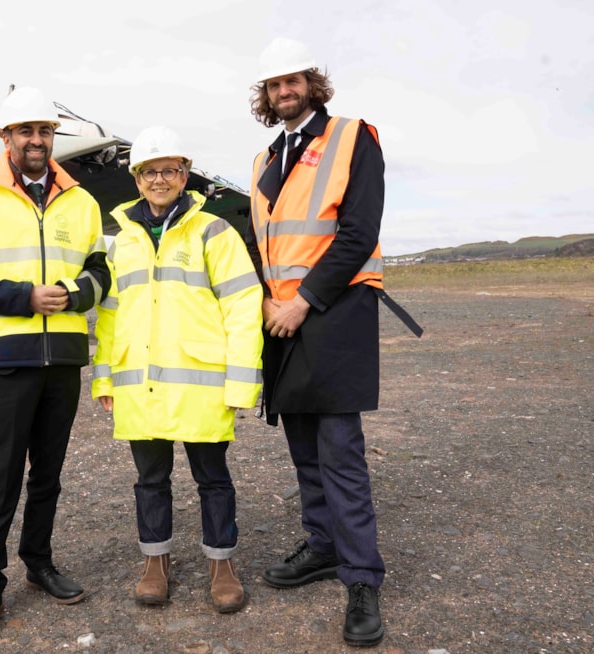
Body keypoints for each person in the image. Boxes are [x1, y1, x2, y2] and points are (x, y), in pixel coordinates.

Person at [246, 37, 421, 647]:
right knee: (302, 447)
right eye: (273, 85)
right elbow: (263, 241)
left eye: (292, 81)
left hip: (334, 310)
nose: (283, 91)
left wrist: (302, 301)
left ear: (312, 84)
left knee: (339, 452)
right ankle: (322, 547)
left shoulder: (353, 136)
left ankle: (362, 578)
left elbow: (357, 233)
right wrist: (269, 301)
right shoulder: (266, 156)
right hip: (282, 318)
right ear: (266, 96)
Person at [0, 86, 111, 642]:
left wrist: (72, 293)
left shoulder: (81, 201)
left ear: (52, 136)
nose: (36, 140)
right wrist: (23, 298)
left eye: (44, 131)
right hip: (8, 360)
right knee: (1, 478)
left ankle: (39, 563)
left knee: (49, 477)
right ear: (6, 137)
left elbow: (101, 274)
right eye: (25, 131)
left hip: (62, 357)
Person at [91, 126, 264, 613]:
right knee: (150, 480)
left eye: (169, 169)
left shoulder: (213, 231)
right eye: (150, 171)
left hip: (201, 386)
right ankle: (154, 561)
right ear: (137, 178)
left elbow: (243, 306)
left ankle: (222, 564)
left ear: (185, 175)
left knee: (213, 478)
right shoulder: (120, 241)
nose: (160, 179)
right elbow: (109, 314)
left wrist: (241, 381)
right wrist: (104, 375)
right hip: (139, 385)